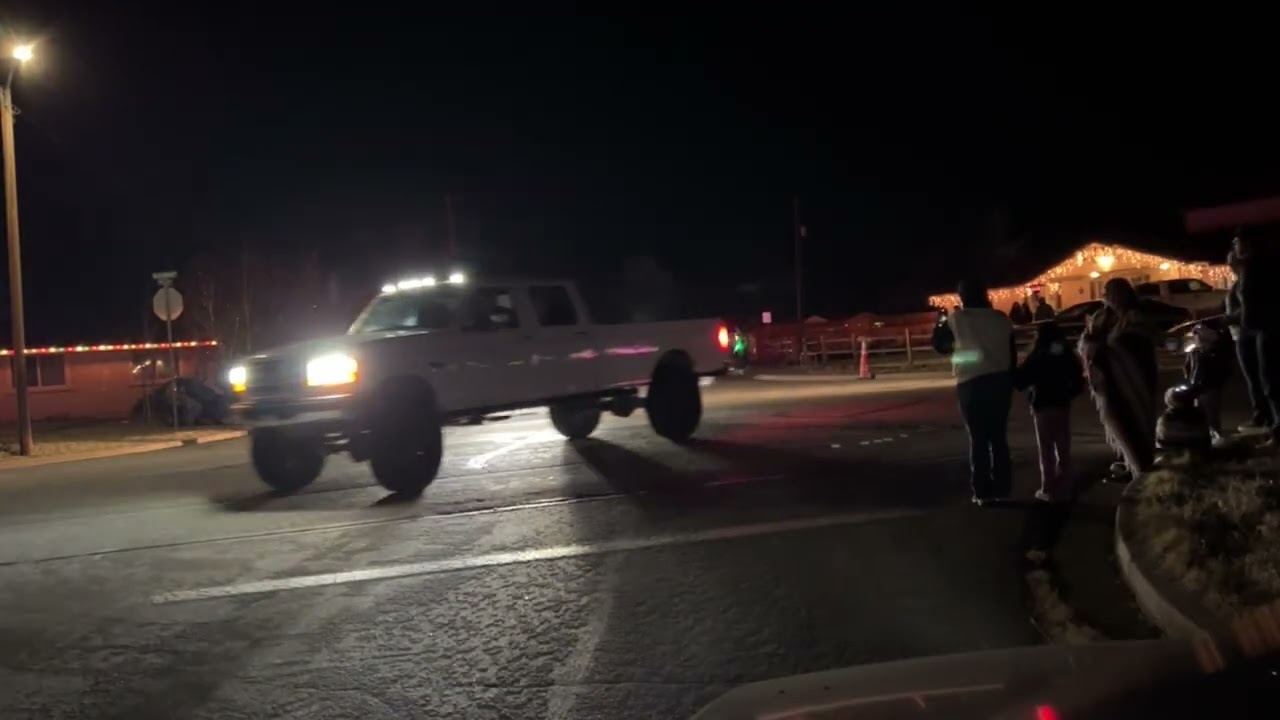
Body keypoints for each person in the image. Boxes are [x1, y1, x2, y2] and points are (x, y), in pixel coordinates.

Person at [932, 279, 1016, 504]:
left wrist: (940, 322)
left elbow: (940, 346)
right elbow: (1012, 352)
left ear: (963, 296)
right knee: (998, 437)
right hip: (1000, 380)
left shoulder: (957, 319)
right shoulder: (1001, 319)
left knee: (978, 439)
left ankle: (982, 491)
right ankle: (1002, 488)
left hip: (971, 382)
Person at [1079, 277, 1159, 482]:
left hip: (1133, 380)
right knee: (1120, 426)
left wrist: (1104, 347)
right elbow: (1087, 343)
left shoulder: (1134, 317)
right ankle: (1131, 466)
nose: (1104, 295)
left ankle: (1142, 473)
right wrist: (1093, 345)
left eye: (1108, 291)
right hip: (1108, 385)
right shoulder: (1102, 316)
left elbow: (1138, 346)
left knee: (1137, 424)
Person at [1014, 321, 1085, 502]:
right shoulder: (1066, 355)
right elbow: (1078, 379)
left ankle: (1048, 488)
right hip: (1062, 404)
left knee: (1046, 449)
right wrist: (1069, 393)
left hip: (1042, 406)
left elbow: (1020, 382)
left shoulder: (1036, 356)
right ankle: (1065, 487)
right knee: (1063, 448)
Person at [1233, 231, 1280, 445]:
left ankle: (1278, 430)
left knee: (1271, 381)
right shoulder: (1252, 268)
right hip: (1261, 328)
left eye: (1240, 244)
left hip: (1267, 328)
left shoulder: (1256, 268)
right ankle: (1274, 426)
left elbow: (1251, 303)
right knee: (1266, 380)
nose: (1236, 249)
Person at [1225, 249, 1271, 433]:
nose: (1230, 267)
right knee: (1255, 378)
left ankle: (1262, 415)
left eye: (1232, 263)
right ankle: (1262, 414)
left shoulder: (1246, 283)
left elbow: (1247, 309)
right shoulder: (1238, 283)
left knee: (1257, 378)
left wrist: (1228, 319)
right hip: (1241, 334)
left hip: (1247, 334)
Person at [1183, 320, 1233, 445]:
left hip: (1210, 387)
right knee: (1199, 412)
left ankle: (1215, 437)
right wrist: (1189, 378)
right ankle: (1203, 436)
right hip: (1197, 386)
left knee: (1211, 413)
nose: (1197, 337)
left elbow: (1223, 368)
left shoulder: (1215, 351)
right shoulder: (1194, 351)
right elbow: (1188, 365)